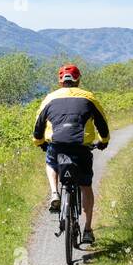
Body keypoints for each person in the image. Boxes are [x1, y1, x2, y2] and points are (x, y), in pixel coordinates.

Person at [32, 64, 109, 244]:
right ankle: (88, 229)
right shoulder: (89, 97)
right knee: (85, 186)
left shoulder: (50, 98)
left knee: (51, 162)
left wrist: (40, 142)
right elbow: (101, 123)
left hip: (57, 145)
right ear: (78, 79)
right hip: (81, 148)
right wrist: (104, 141)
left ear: (60, 81)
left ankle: (54, 193)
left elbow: (38, 125)